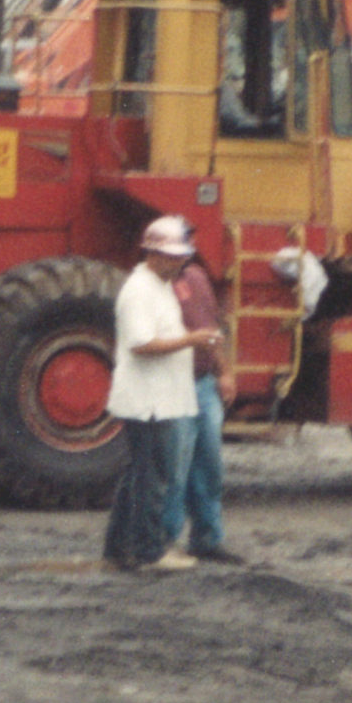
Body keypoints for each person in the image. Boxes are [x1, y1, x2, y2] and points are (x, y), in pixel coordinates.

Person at [104, 216, 221, 572]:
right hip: (148, 401)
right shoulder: (140, 290)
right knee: (152, 479)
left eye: (181, 256)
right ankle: (149, 551)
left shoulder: (157, 285)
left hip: (156, 398)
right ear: (151, 253)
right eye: (171, 256)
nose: (179, 262)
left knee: (140, 476)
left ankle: (120, 549)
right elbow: (141, 344)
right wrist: (192, 339)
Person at [162, 236, 242, 566]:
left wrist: (224, 373)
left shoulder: (195, 279)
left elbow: (211, 329)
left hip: (203, 382)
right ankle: (164, 542)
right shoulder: (150, 289)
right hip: (174, 384)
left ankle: (207, 539)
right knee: (175, 468)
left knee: (208, 466)